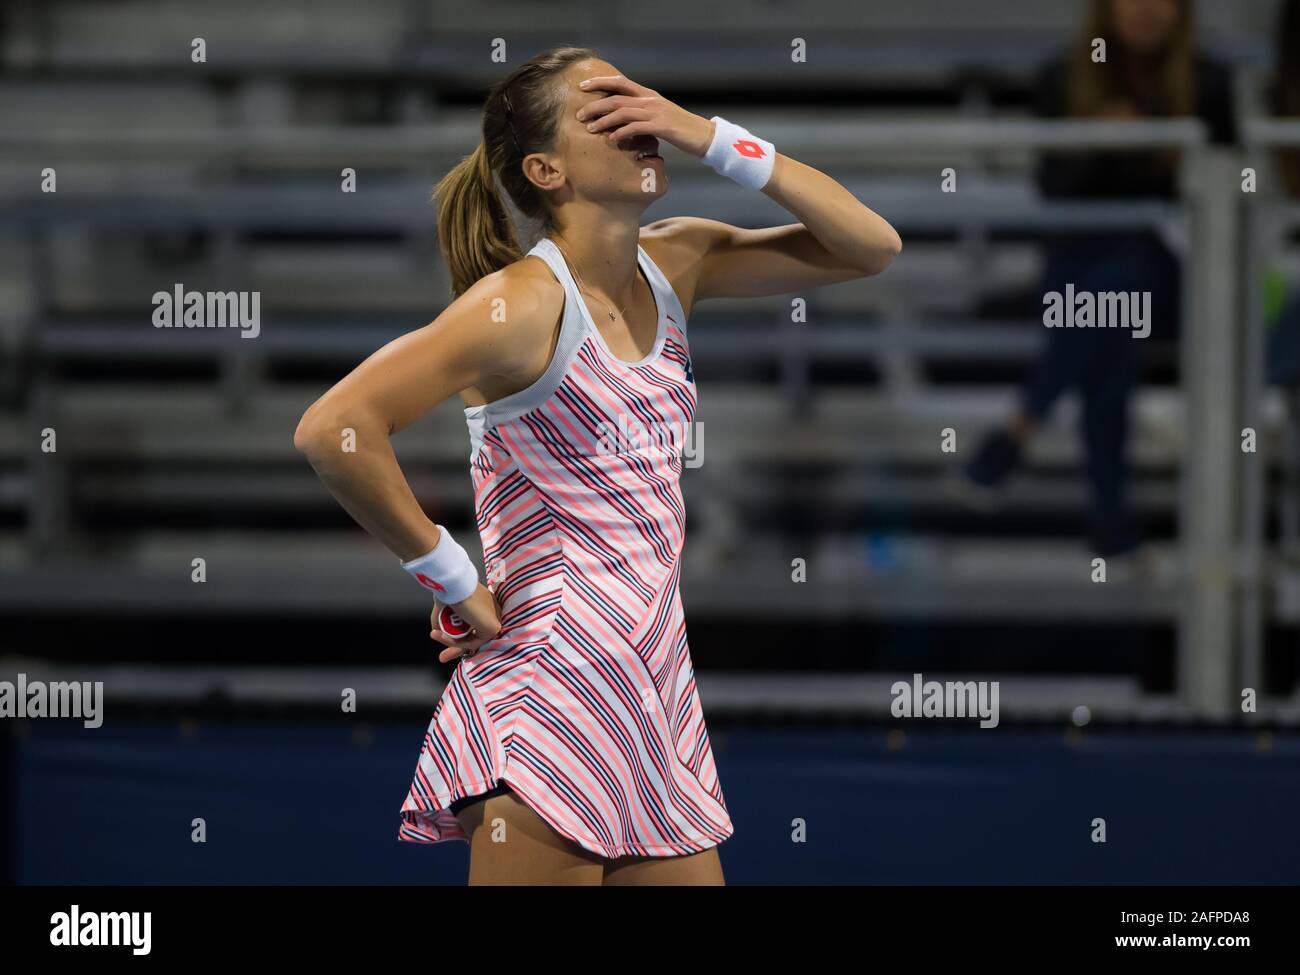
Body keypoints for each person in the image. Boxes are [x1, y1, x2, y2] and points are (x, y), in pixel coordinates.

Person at [294, 47, 901, 885]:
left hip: (654, 690)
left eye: (634, 97)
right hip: (549, 685)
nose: (636, 117)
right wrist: (450, 576)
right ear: (545, 169)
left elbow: (871, 245)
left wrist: (705, 133)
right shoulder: (519, 306)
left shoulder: (678, 260)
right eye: (601, 111)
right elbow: (335, 428)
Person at [961, 0, 1235, 557]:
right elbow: (1054, 189)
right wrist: (1097, 142)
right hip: (1087, 274)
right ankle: (1109, 526)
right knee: (1109, 328)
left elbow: (1235, 184)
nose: (1147, 10)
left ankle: (1021, 426)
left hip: (1175, 275)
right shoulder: (1062, 77)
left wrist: (1174, 161)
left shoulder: (1208, 82)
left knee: (1119, 282)